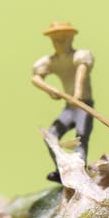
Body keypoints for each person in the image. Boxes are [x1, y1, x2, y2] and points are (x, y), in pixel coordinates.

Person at [32, 21, 95, 182]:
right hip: (69, 107)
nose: (60, 43)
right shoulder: (52, 61)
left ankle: (80, 171)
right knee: (51, 136)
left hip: (83, 105)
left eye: (63, 39)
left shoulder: (79, 56)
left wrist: (78, 95)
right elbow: (36, 78)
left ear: (71, 39)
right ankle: (61, 171)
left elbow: (82, 72)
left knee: (81, 138)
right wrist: (50, 90)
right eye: (56, 40)